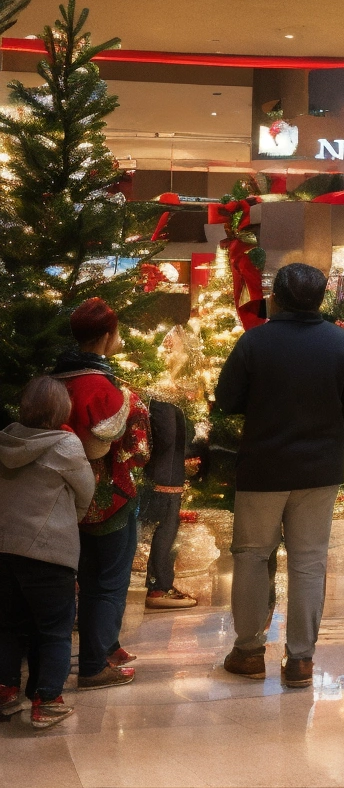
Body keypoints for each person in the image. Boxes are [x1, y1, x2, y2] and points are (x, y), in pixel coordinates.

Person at [214, 261, 344, 689]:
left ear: (276, 298)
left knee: (251, 557)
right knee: (308, 562)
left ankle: (248, 652)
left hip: (262, 467)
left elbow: (226, 399)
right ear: (320, 299)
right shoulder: (340, 343)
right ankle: (301, 660)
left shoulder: (255, 342)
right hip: (319, 469)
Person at [52, 299, 149, 688]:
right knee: (107, 580)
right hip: (108, 499)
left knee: (87, 577)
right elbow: (135, 453)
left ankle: (106, 643)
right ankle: (95, 664)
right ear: (108, 336)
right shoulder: (104, 388)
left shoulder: (55, 381)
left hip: (63, 498)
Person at [0, 377, 95, 729]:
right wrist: (70, 520)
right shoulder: (66, 445)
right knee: (55, 629)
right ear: (62, 409)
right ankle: (47, 700)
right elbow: (86, 493)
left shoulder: (6, 438)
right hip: (49, 553)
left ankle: (5, 691)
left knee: (7, 625)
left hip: (4, 549)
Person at [141, 389, 197, 610]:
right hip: (161, 479)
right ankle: (157, 586)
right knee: (163, 530)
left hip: (168, 478)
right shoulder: (161, 402)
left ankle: (160, 584)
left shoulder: (172, 404)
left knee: (168, 529)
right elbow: (166, 440)